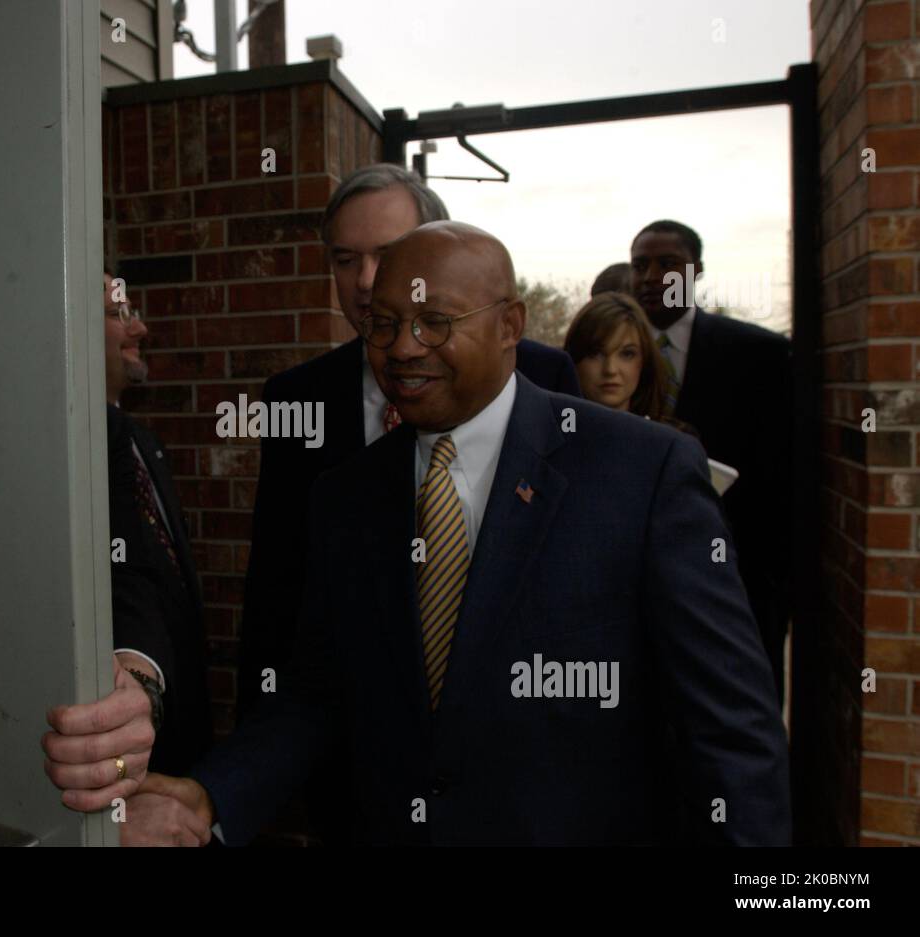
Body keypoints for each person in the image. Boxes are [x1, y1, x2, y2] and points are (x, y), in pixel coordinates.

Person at [119, 221, 790, 846]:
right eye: (384, 324)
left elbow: (730, 728)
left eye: (434, 322)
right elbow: (316, 694)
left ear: (510, 326)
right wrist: (208, 796)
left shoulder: (641, 473)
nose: (403, 347)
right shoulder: (346, 498)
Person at [237, 164, 581, 726]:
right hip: (354, 751)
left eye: (388, 253)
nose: (368, 280)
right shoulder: (294, 399)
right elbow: (277, 585)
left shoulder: (543, 376)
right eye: (346, 260)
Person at [40, 272, 212, 812]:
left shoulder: (141, 442)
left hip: (172, 739)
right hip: (107, 753)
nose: (139, 326)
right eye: (118, 314)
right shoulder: (58, 447)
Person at [630, 220, 793, 700]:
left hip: (732, 577)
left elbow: (779, 481)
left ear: (696, 271)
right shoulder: (601, 355)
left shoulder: (758, 355)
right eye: (640, 264)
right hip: (634, 581)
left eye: (667, 264)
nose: (651, 276)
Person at [564, 291, 670, 418]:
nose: (610, 370)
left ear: (645, 362)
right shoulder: (543, 433)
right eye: (595, 353)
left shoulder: (675, 437)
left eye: (627, 354)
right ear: (574, 359)